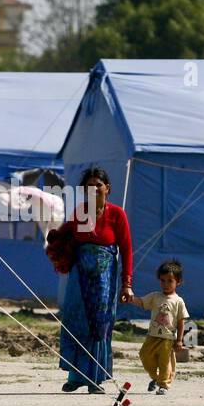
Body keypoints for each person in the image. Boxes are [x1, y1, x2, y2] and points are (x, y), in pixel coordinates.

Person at [49, 166, 133, 393]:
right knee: (76, 319)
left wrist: (127, 283)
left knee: (99, 324)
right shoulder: (80, 212)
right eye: (90, 185)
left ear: (108, 188)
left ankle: (95, 378)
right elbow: (65, 232)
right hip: (79, 276)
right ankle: (75, 376)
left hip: (104, 279)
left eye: (99, 184)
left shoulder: (117, 214)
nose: (94, 188)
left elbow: (126, 249)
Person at [126, 260, 188, 395]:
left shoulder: (178, 301)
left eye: (170, 281)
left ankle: (163, 385)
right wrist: (131, 299)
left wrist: (179, 340)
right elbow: (142, 302)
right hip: (152, 336)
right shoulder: (155, 296)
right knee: (144, 355)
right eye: (163, 280)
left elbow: (181, 321)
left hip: (167, 338)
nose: (165, 284)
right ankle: (155, 377)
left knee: (165, 362)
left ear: (178, 282)